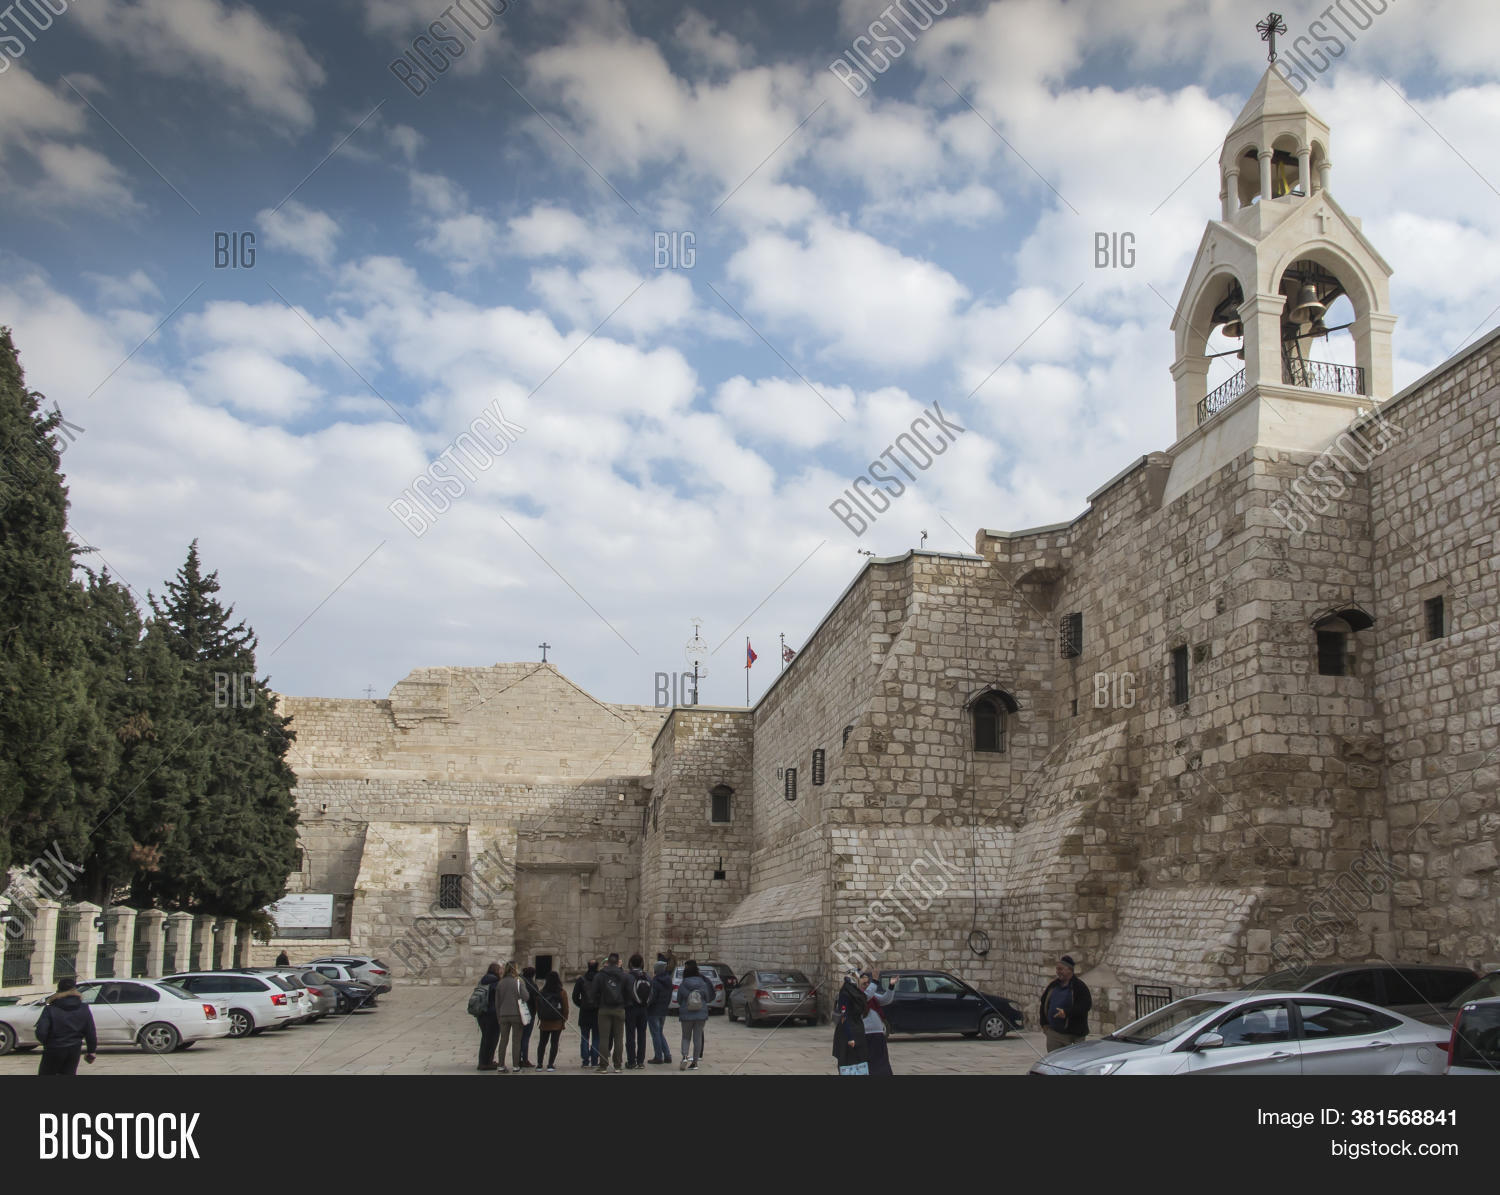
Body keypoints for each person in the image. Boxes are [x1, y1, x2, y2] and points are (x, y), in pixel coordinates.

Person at [34, 978, 97, 1076]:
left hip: (54, 1048)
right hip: (74, 1049)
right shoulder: (84, 1008)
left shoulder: (50, 1009)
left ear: (58, 991)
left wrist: (48, 1043)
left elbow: (41, 1032)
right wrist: (91, 1051)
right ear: (75, 990)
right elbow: (90, 1031)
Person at [1040, 955, 1092, 1052]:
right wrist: (1044, 1024)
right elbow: (1043, 1003)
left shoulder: (1079, 987)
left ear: (1069, 970)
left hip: (1074, 1035)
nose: (1058, 972)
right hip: (1054, 1033)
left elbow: (1085, 1006)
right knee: (1054, 1062)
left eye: (1061, 969)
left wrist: (1067, 1013)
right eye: (1057, 969)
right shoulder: (1053, 986)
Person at [591, 951, 630, 1073]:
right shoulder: (624, 975)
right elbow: (629, 993)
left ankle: (603, 1066)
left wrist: (598, 1003)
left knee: (603, 1038)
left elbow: (593, 992)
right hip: (619, 1008)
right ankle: (617, 1065)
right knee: (619, 1038)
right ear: (618, 962)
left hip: (604, 1008)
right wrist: (624, 1004)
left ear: (607, 962)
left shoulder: (600, 975)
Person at [676, 959, 713, 1070]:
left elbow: (678, 999)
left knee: (686, 1037)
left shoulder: (683, 984)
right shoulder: (702, 983)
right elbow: (707, 997)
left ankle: (685, 1057)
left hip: (686, 1013)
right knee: (697, 1039)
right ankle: (695, 1062)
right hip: (700, 1014)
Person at [833, 972, 869, 1075]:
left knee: (856, 1063)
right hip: (851, 1032)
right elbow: (845, 1016)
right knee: (850, 1064)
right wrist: (850, 1037)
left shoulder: (851, 993)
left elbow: (845, 1016)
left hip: (854, 1031)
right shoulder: (849, 993)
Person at [494, 961, 528, 1072]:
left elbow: (497, 1002)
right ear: (515, 969)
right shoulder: (518, 981)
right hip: (516, 1014)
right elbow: (526, 996)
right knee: (516, 1040)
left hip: (503, 1014)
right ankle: (515, 1065)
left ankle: (501, 1065)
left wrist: (499, 1016)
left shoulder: (500, 983)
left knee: (503, 1040)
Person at [860, 969, 893, 1076]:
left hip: (878, 1034)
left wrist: (891, 986)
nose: (867, 985)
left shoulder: (872, 996)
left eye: (868, 982)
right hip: (865, 1036)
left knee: (881, 1064)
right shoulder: (857, 997)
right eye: (864, 983)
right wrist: (874, 981)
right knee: (868, 1065)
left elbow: (885, 999)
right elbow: (866, 996)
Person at [535, 970, 569, 1071]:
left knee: (542, 1043)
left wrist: (540, 1016)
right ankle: (550, 1064)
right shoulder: (562, 992)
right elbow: (565, 1008)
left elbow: (538, 1006)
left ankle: (539, 1064)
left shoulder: (541, 992)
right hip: (557, 1022)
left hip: (545, 1022)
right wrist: (564, 1019)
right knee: (554, 1043)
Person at [624, 953, 650, 1069]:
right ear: (642, 964)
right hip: (643, 1009)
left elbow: (623, 992)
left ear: (630, 963)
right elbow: (652, 993)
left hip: (630, 1008)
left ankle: (631, 1061)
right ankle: (640, 1061)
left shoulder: (628, 977)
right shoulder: (647, 977)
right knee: (642, 1035)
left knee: (630, 1035)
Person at [572, 960, 600, 1067]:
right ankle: (594, 1060)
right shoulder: (600, 979)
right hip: (597, 1012)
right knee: (596, 1037)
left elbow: (575, 997)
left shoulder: (581, 980)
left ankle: (585, 1060)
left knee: (584, 1037)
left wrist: (582, 1004)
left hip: (585, 1012)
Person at [646, 958, 674, 1064]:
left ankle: (658, 1056)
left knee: (655, 1034)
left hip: (654, 1011)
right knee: (660, 1033)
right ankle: (667, 1055)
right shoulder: (668, 980)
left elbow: (652, 997)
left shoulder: (656, 981)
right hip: (663, 1010)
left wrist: (646, 1005)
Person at [475, 962, 502, 1071]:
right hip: (492, 1014)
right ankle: (486, 1063)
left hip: (482, 1013)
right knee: (492, 1039)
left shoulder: (483, 980)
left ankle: (483, 1061)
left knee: (485, 1038)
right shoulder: (496, 982)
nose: (501, 971)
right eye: (500, 969)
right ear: (496, 970)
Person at [518, 965, 540, 1068]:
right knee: (525, 1037)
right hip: (528, 1012)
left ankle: (518, 1058)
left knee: (519, 1037)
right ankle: (524, 1059)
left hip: (519, 1011)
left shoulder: (520, 982)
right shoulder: (533, 985)